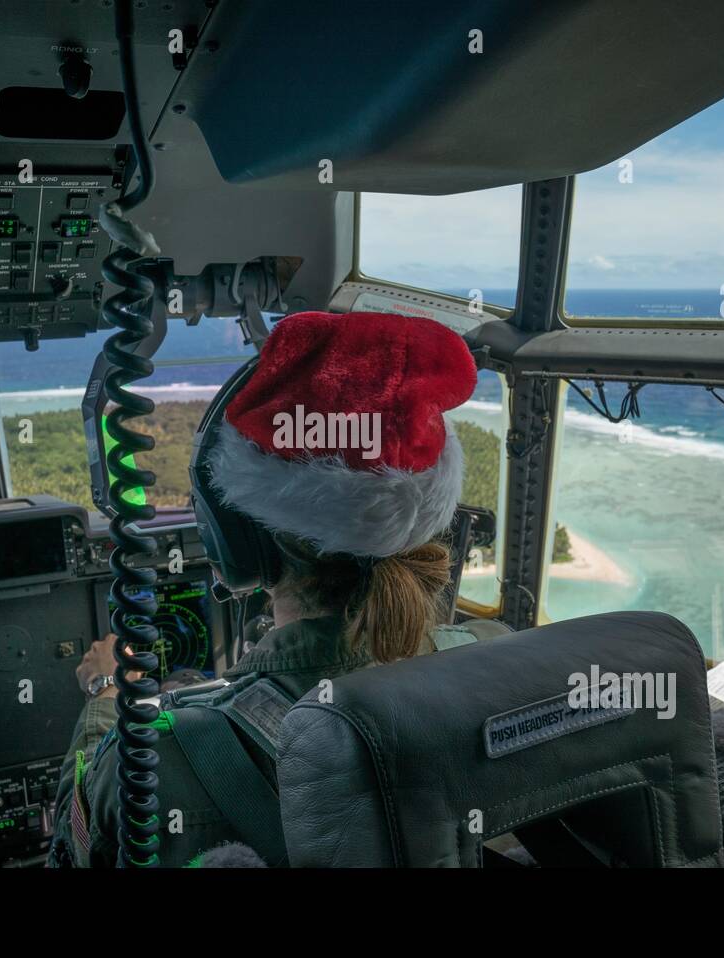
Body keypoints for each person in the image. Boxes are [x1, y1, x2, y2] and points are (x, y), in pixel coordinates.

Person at [49, 310, 484, 867]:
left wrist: (107, 692)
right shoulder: (490, 662)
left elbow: (69, 846)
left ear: (236, 541)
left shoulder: (151, 757)